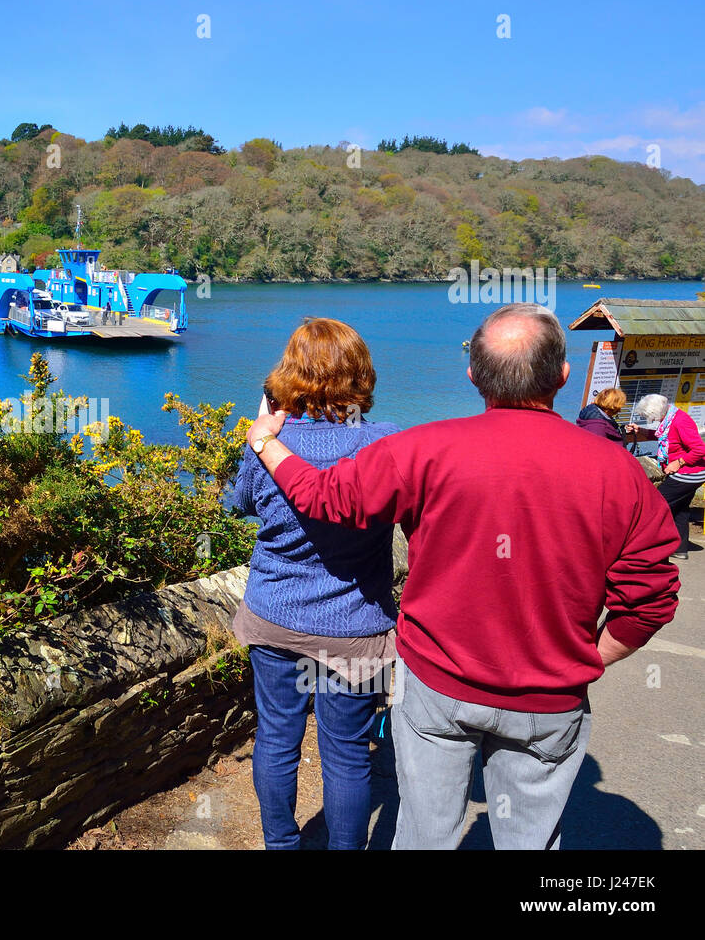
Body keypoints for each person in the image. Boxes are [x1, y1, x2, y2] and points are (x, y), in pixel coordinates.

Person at [243, 303, 680, 849]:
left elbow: (326, 499)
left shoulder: (422, 450)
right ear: (564, 377)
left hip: (436, 685)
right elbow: (652, 595)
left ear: (473, 374)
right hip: (548, 697)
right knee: (529, 839)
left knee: (426, 833)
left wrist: (264, 440)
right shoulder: (617, 471)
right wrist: (593, 656)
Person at [230, 318, 398, 850]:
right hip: (354, 624)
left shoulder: (269, 444)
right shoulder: (386, 444)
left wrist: (262, 427)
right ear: (360, 376)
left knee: (276, 737)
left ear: (289, 374)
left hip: (275, 616)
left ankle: (281, 843)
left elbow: (237, 505)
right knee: (347, 753)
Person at [628, 393, 705, 561]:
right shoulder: (670, 418)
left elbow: (700, 449)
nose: (652, 420)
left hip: (688, 474)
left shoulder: (680, 421)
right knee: (680, 509)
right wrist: (640, 431)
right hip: (688, 474)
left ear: (656, 411)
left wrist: (678, 462)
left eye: (650, 416)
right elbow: (664, 436)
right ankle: (680, 549)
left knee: (654, 504)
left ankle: (643, 547)